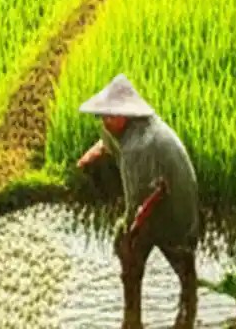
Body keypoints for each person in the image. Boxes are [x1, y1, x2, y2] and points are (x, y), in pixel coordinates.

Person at [76, 74, 200, 329]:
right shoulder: (128, 127)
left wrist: (127, 231)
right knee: (179, 266)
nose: (105, 121)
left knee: (130, 248)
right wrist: (90, 157)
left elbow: (136, 204)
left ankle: (143, 317)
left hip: (173, 211)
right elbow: (108, 141)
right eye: (103, 116)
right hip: (169, 198)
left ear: (125, 115)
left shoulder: (138, 148)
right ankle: (170, 308)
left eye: (109, 116)